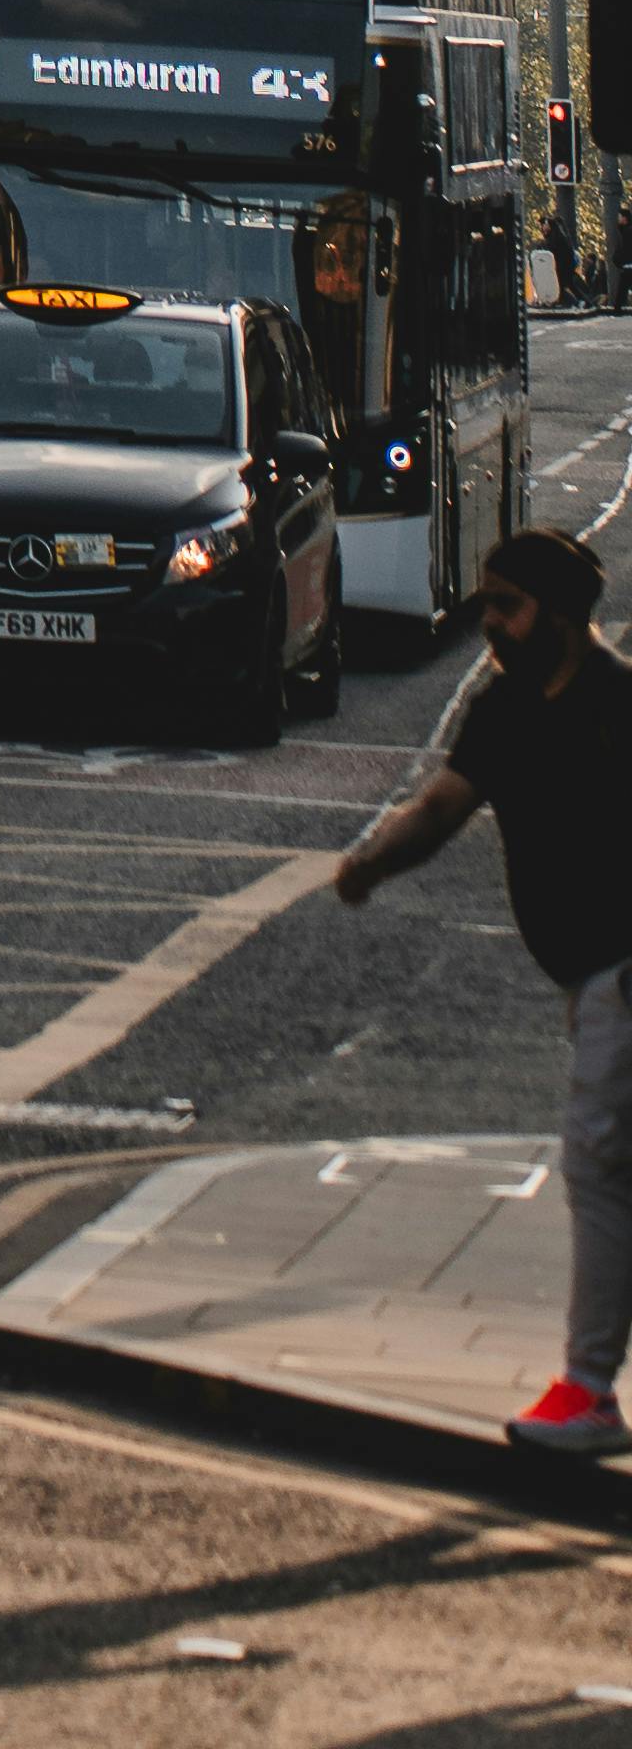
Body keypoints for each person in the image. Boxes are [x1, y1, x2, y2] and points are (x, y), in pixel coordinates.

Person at [331, 524, 632, 1448]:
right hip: (595, 982)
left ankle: (588, 1394)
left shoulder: (619, 704)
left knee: (597, 1166)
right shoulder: (502, 709)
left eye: (507, 604)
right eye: (488, 602)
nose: (489, 622)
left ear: (564, 612)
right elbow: (441, 806)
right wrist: (370, 863)